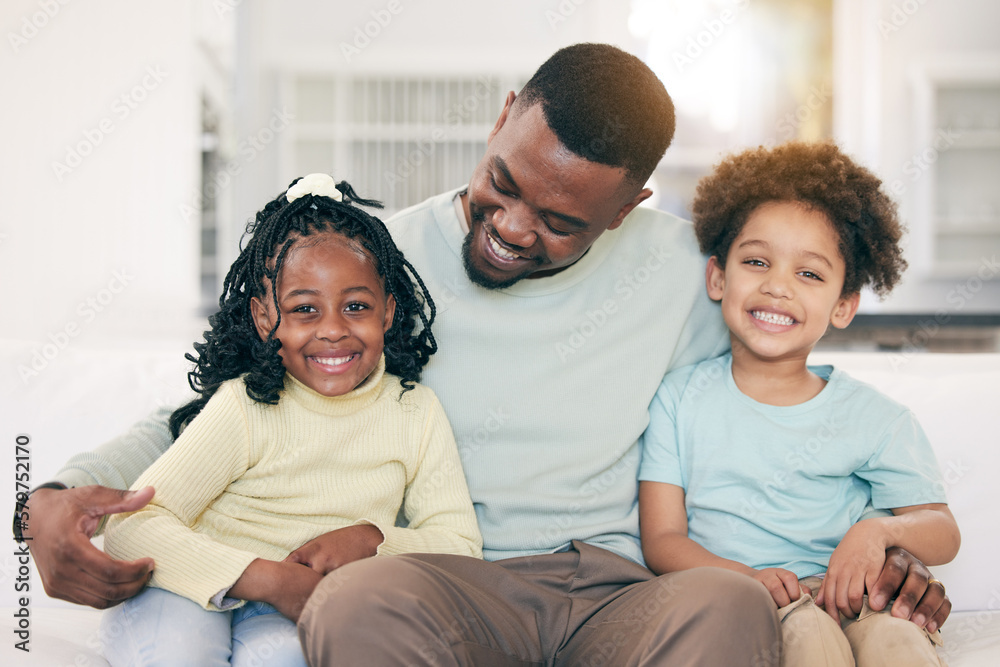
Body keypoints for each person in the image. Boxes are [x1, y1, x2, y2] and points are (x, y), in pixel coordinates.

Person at [18, 44, 951, 665]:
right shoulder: (371, 262)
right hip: (444, 578)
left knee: (728, 608)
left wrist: (885, 549)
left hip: (613, 585)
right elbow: (218, 402)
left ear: (629, 208)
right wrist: (51, 493)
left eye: (558, 222)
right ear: (504, 114)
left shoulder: (686, 274)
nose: (508, 228)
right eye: (500, 183)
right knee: (350, 603)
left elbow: (797, 400)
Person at [97, 174, 481, 666]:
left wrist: (373, 541)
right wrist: (267, 578)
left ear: (387, 311)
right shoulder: (245, 406)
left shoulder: (415, 413)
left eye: (356, 306)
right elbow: (132, 523)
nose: (333, 331)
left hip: (298, 607)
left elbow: (459, 549)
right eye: (305, 310)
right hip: (185, 589)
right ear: (264, 318)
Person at [638, 141, 961, 666]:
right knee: (808, 642)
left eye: (809, 273)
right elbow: (663, 539)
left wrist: (875, 531)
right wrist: (746, 580)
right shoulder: (678, 400)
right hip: (761, 603)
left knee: (898, 644)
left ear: (843, 305)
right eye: (757, 261)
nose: (777, 286)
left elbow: (942, 532)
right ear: (718, 277)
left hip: (862, 601)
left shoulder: (877, 418)